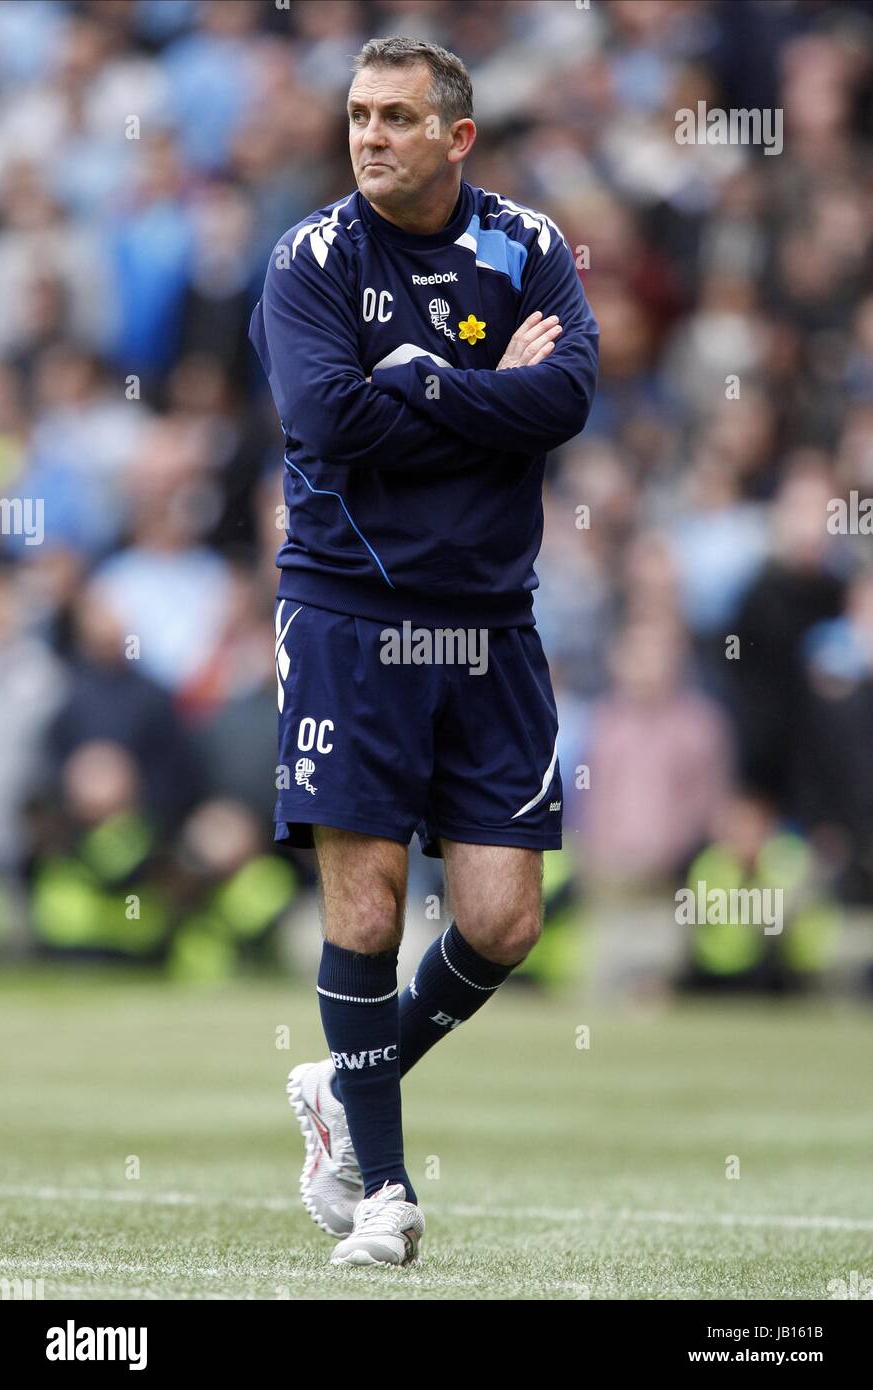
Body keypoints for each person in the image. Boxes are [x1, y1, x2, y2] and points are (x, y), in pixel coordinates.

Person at [248, 35, 598, 1267]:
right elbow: (327, 417)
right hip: (348, 612)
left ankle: (348, 1077)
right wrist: (476, 387)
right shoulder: (311, 257)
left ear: (458, 136)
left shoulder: (532, 245)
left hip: (493, 620)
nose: (369, 135)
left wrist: (416, 386)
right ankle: (386, 1191)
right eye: (356, 114)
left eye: (397, 115)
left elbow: (566, 399)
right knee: (371, 900)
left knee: (503, 920)